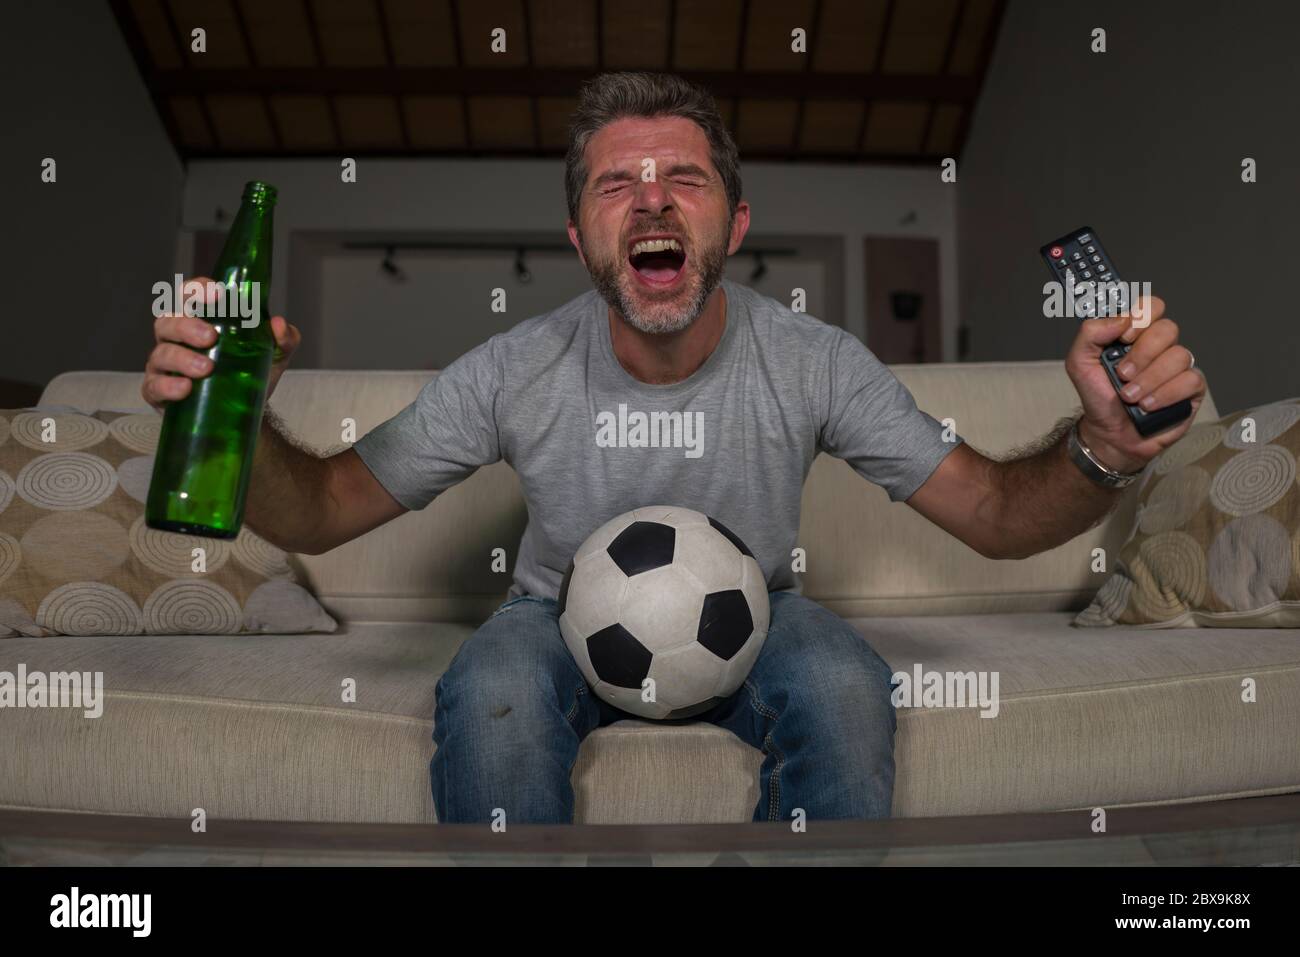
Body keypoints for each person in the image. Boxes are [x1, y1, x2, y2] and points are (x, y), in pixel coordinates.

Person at [143, 72, 1206, 825]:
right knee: (491, 704)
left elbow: (999, 518)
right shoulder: (515, 367)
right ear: (581, 238)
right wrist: (233, 426)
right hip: (551, 617)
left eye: (682, 180)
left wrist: (1105, 447)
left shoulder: (815, 360)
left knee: (845, 691)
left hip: (761, 607)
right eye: (616, 184)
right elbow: (322, 509)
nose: (650, 197)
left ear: (733, 222)